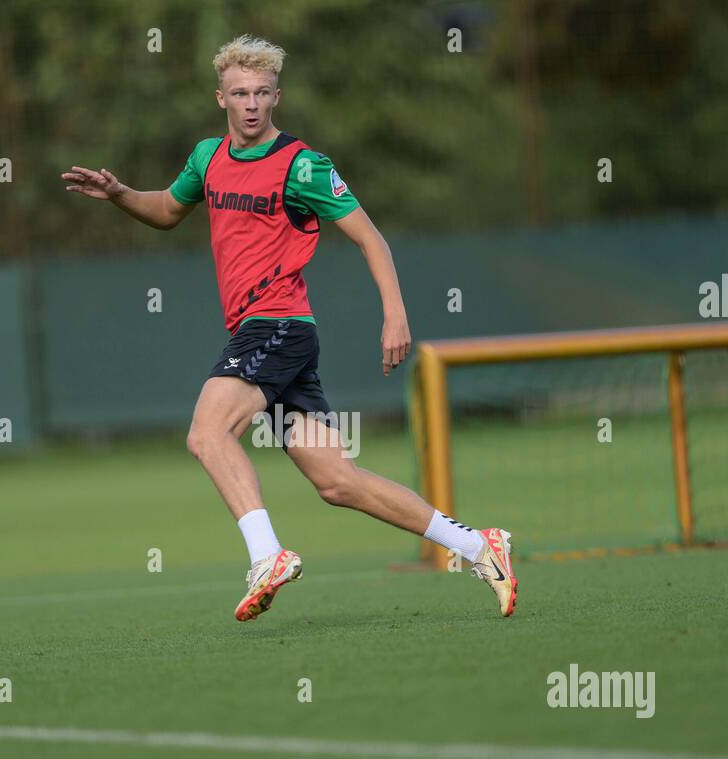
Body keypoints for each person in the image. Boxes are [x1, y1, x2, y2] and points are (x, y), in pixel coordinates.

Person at [62, 35, 517, 621]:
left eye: (261, 93)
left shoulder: (302, 165)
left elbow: (368, 236)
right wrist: (121, 195)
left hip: (277, 326)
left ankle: (267, 555)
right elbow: (169, 212)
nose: (250, 104)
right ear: (220, 98)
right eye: (239, 93)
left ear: (276, 96)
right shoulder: (208, 158)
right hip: (265, 335)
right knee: (337, 482)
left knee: (206, 433)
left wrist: (395, 313)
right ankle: (481, 547)